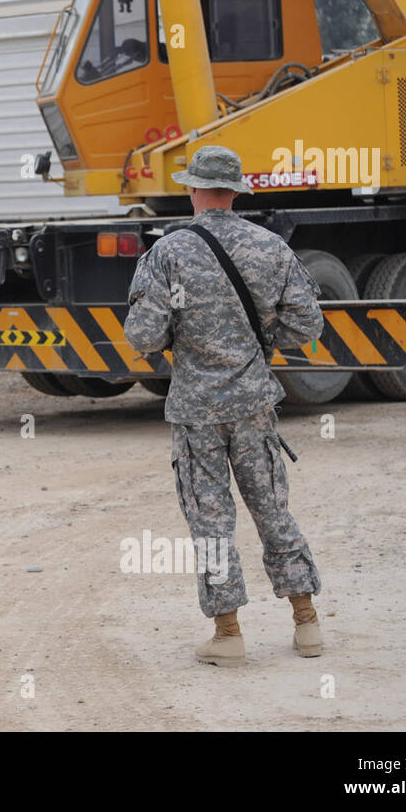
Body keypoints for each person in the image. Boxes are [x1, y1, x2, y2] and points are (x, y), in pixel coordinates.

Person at [124, 145, 326, 667]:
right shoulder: (272, 247)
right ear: (235, 192)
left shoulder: (168, 253)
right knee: (273, 509)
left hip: (196, 411)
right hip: (255, 404)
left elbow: (144, 337)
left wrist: (178, 330)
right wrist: (260, 341)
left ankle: (229, 635)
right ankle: (307, 625)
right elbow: (308, 328)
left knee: (211, 522)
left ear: (193, 189)